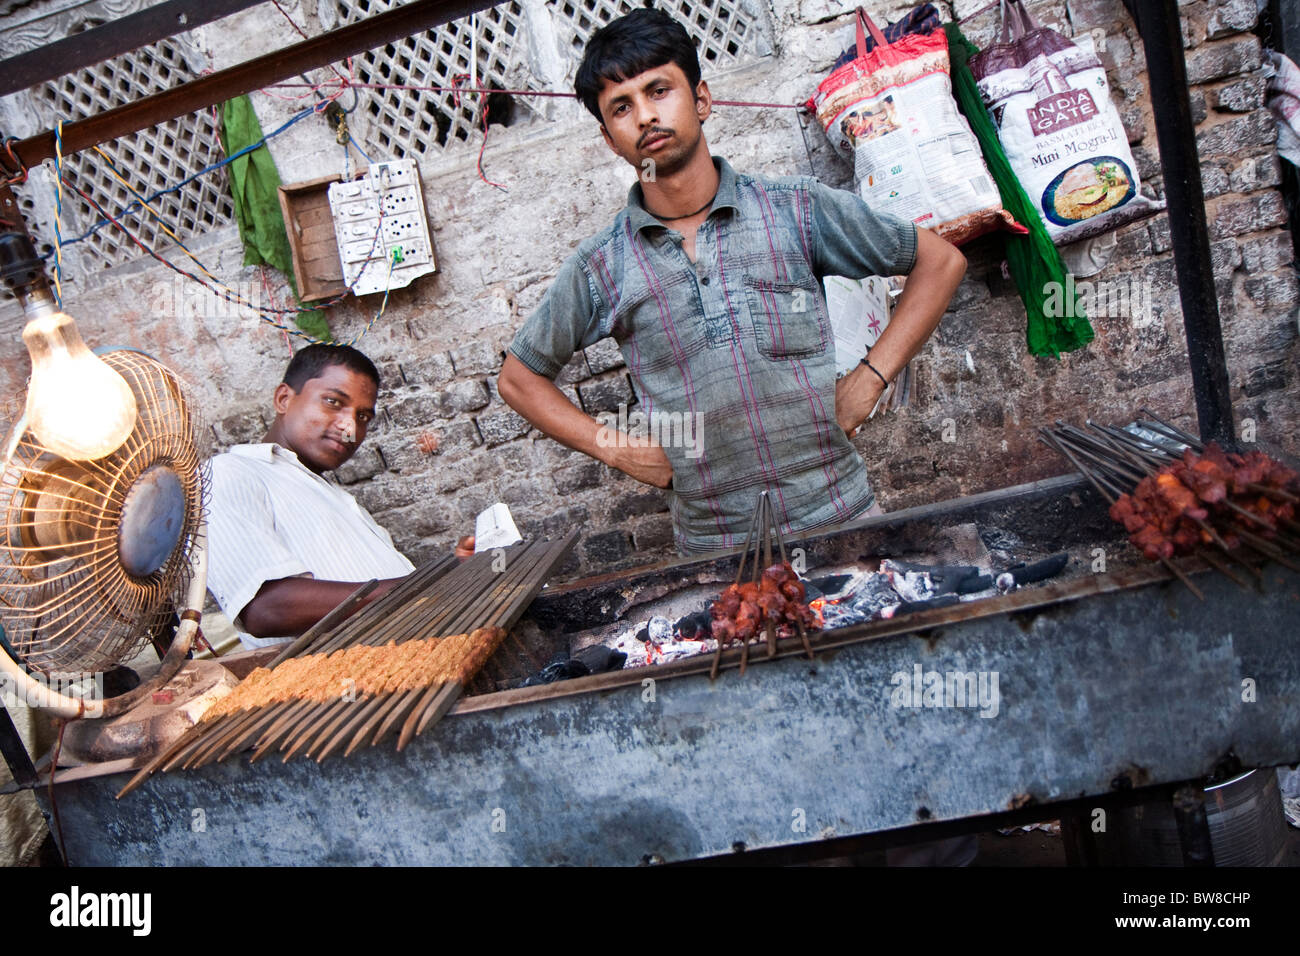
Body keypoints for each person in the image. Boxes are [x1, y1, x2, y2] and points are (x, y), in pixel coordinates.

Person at [498, 8, 967, 555]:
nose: (645, 116)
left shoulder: (795, 209)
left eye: (659, 90)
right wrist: (619, 449)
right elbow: (518, 379)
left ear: (701, 100)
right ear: (609, 139)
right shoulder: (603, 265)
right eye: (621, 108)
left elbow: (941, 262)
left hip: (843, 517)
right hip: (717, 552)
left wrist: (869, 379)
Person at [206, 345, 465, 649]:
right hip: (341, 689)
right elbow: (266, 608)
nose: (350, 428)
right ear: (284, 399)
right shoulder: (228, 473)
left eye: (363, 416)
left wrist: (453, 570)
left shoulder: (331, 495)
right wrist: (425, 585)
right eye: (333, 402)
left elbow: (380, 586)